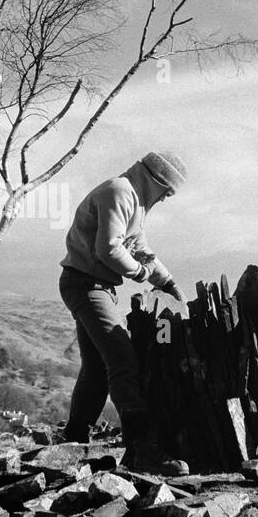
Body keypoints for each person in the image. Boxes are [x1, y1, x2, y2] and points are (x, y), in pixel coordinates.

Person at [58, 151, 190, 475]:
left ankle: (69, 447)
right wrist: (143, 276)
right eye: (167, 193)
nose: (166, 200)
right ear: (157, 182)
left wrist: (169, 283)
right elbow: (110, 249)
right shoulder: (120, 192)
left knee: (96, 370)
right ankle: (143, 449)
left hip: (95, 286)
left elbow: (141, 248)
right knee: (122, 361)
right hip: (86, 285)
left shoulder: (133, 202)